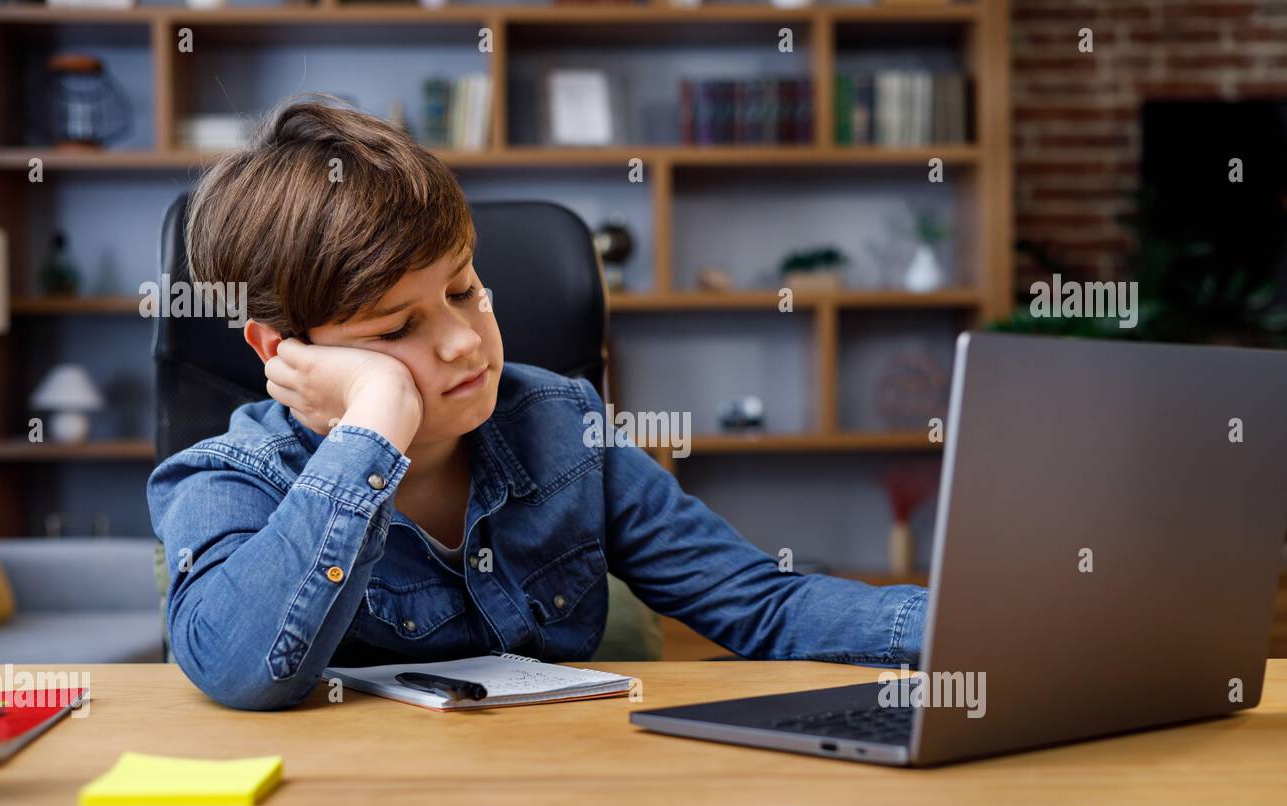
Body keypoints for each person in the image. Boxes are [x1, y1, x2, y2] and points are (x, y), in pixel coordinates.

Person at [146, 97, 928, 711]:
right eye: (396, 328)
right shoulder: (225, 478)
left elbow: (764, 607)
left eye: (463, 288)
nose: (463, 341)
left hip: (562, 796)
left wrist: (973, 631)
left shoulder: (564, 426)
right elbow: (242, 673)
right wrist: (375, 422)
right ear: (281, 351)